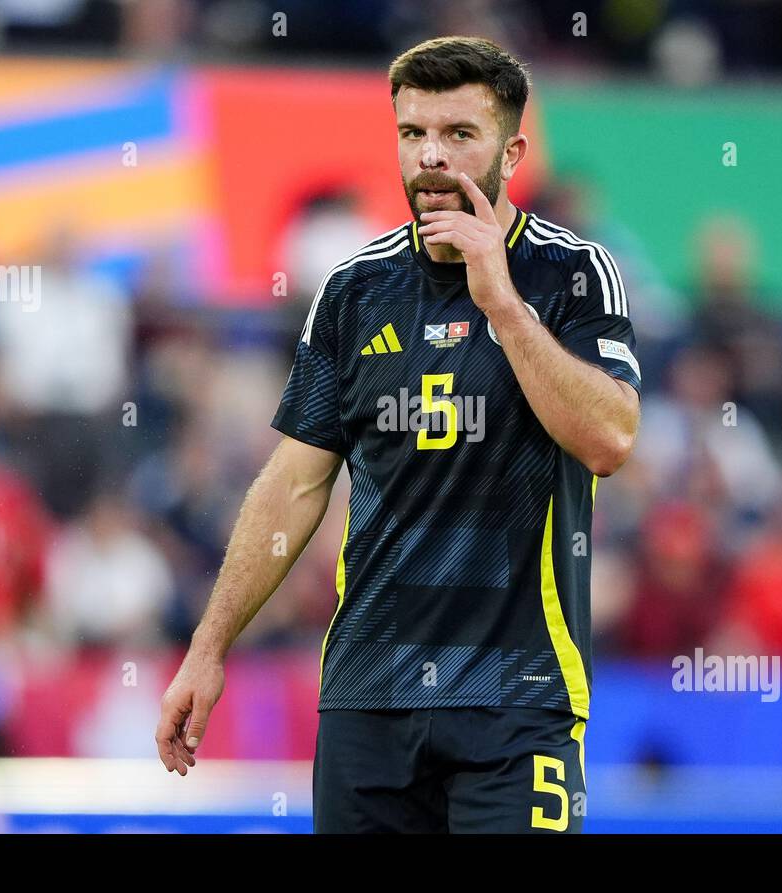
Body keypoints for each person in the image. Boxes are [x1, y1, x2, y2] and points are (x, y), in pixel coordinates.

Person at [156, 35, 641, 833]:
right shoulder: (355, 289)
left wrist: (503, 305)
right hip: (367, 697)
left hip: (517, 700)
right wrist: (209, 647)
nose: (431, 157)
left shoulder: (573, 275)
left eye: (459, 135)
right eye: (413, 133)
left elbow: (609, 440)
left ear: (511, 150)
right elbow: (295, 480)